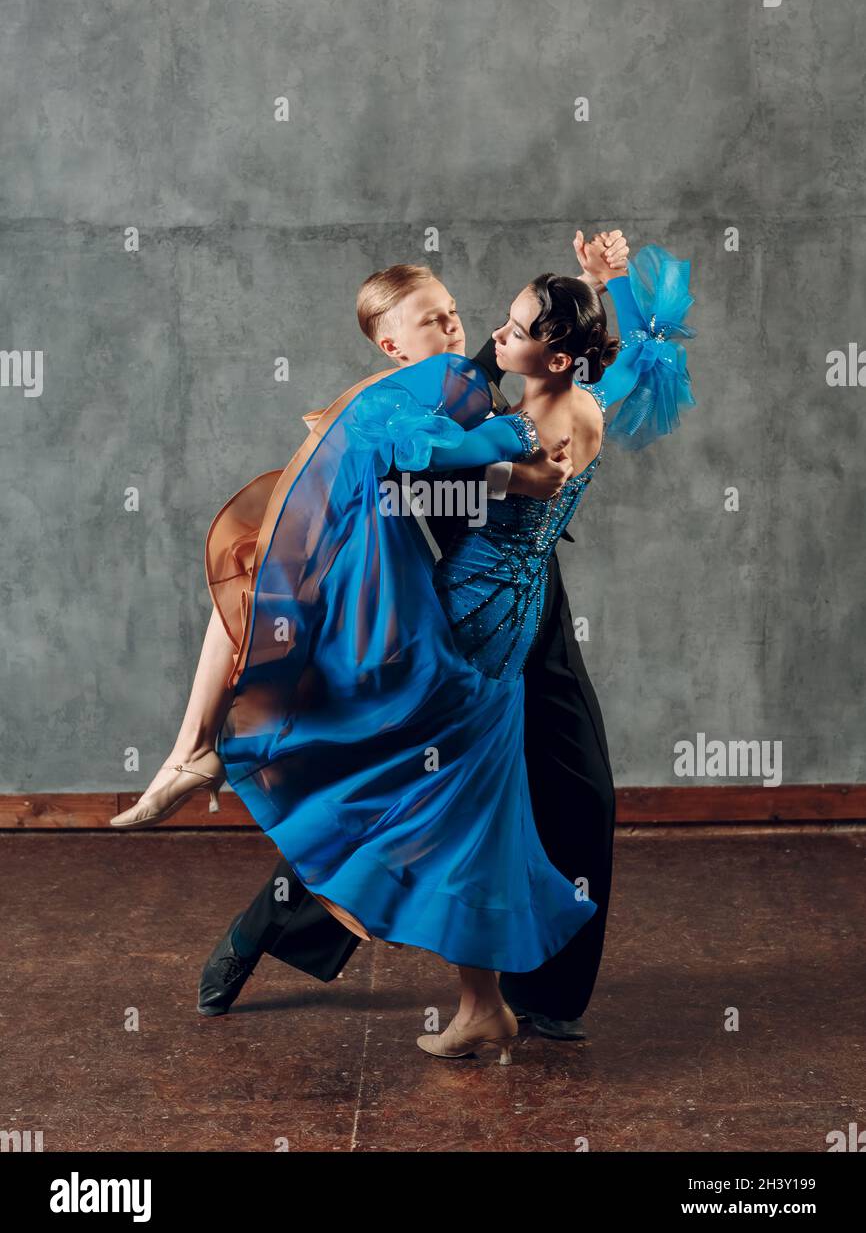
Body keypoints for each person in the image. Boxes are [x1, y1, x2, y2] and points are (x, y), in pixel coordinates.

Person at [113, 234, 698, 1065]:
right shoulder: (454, 393)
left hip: (499, 610)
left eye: (484, 320)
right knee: (407, 794)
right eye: (445, 320)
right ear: (395, 344)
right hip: (448, 606)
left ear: (554, 352)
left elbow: (524, 436)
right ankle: (266, 898)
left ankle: (532, 996)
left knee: (521, 795)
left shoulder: (503, 395)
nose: (475, 330)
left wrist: (495, 452)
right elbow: (591, 386)